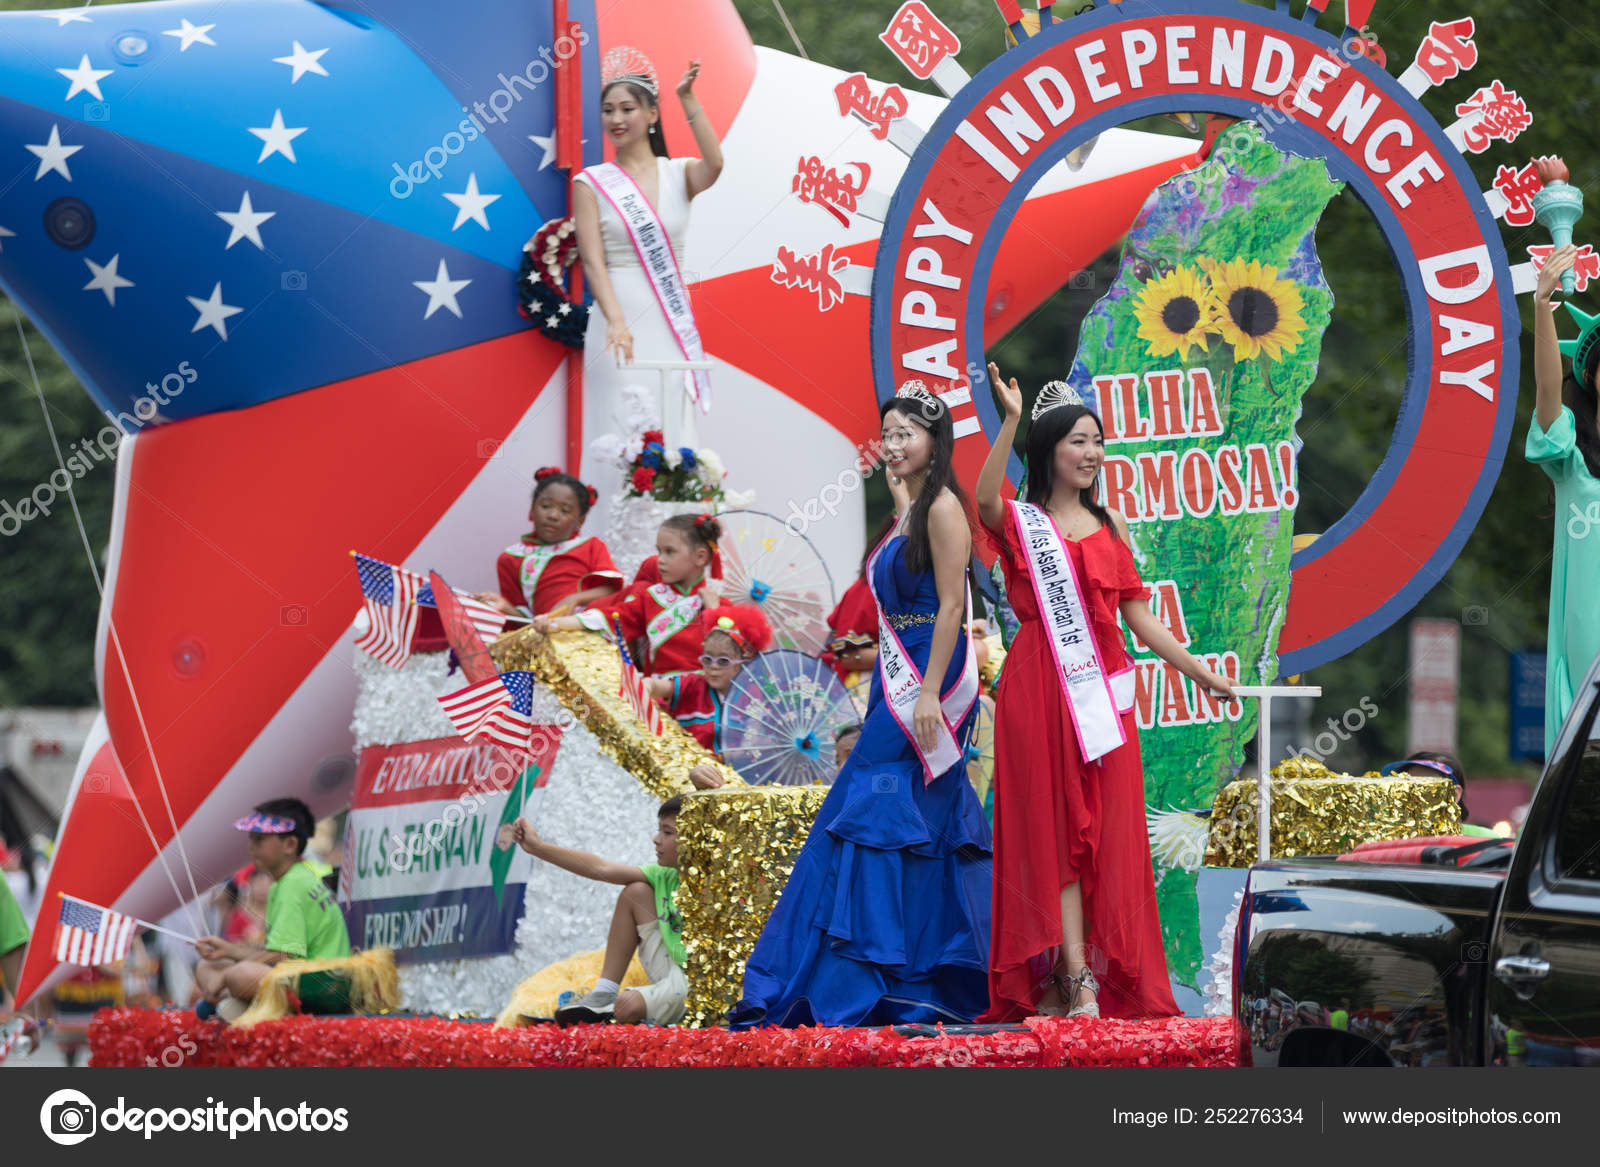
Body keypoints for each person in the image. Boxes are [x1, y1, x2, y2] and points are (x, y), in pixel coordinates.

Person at [976, 365, 1236, 1021]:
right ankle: (1075, 977)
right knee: (1055, 831)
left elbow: (1140, 619)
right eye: (1078, 441)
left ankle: (1085, 975)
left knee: (1104, 834)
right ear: (1050, 449)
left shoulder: (1109, 521)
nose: (1092, 453)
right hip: (1039, 686)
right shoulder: (1024, 521)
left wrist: (1198, 672)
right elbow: (982, 501)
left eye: (1097, 440)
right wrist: (1009, 420)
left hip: (1103, 694)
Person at [730, 385, 992, 1027]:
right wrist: (899, 486)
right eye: (888, 434)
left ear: (936, 441)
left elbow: (955, 607)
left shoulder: (947, 510)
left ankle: (880, 976)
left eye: (907, 433)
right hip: (896, 677)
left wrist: (929, 691)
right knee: (888, 817)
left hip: (927, 679)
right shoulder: (911, 509)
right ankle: (899, 977)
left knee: (874, 808)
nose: (893, 445)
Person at [574, 50, 725, 513]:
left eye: (627, 108)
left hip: (668, 318)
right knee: (618, 429)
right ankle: (613, 551)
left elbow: (715, 164)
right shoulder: (592, 182)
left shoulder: (678, 173)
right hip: (616, 322)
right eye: (608, 111)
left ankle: (676, 549)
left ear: (652, 114)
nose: (616, 119)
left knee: (670, 422)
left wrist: (687, 97)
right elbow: (593, 262)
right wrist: (616, 320)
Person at [514, 797, 688, 1026]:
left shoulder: (720, 877)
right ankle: (604, 993)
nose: (656, 840)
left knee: (628, 1006)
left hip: (698, 981)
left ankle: (639, 1010)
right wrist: (538, 848)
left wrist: (704, 784)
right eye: (659, 831)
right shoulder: (665, 876)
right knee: (635, 893)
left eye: (667, 832)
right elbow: (601, 868)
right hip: (671, 971)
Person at [1528, 245, 1600, 757]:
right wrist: (1542, 306)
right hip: (1589, 656)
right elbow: (1547, 388)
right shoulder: (1572, 457)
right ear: (1592, 376)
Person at [193, 798, 351, 1020]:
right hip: (304, 978)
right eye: (252, 839)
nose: (251, 847)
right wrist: (228, 951)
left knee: (241, 974)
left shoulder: (293, 884)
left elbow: (284, 955)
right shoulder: (286, 882)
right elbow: (279, 953)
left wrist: (227, 976)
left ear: (289, 845)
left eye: (260, 839)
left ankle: (252, 1006)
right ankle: (240, 1003)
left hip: (322, 986)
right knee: (207, 965)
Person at [535, 514, 723, 676]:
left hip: (703, 699)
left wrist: (713, 613)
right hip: (659, 697)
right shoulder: (651, 598)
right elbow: (607, 618)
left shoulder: (720, 606)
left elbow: (728, 655)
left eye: (669, 552)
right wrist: (554, 623)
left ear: (700, 557)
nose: (661, 561)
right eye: (659, 551)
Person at [648, 604, 773, 790]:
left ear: (743, 664)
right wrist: (646, 685)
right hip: (682, 776)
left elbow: (750, 748)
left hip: (730, 786)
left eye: (723, 661)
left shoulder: (755, 699)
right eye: (707, 659)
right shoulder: (692, 685)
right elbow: (656, 687)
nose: (713, 667)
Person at [478, 467, 622, 623]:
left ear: (580, 521)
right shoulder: (510, 558)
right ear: (532, 510)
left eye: (565, 510)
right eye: (545, 506)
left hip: (587, 629)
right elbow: (522, 621)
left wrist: (574, 599)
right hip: (546, 636)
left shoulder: (590, 546)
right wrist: (504, 605)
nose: (553, 516)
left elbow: (612, 590)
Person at [1377, 750, 1498, 838]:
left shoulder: (1484, 839)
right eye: (1406, 787)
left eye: (1427, 788)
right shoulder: (1388, 840)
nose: (1414, 796)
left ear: (1454, 794)